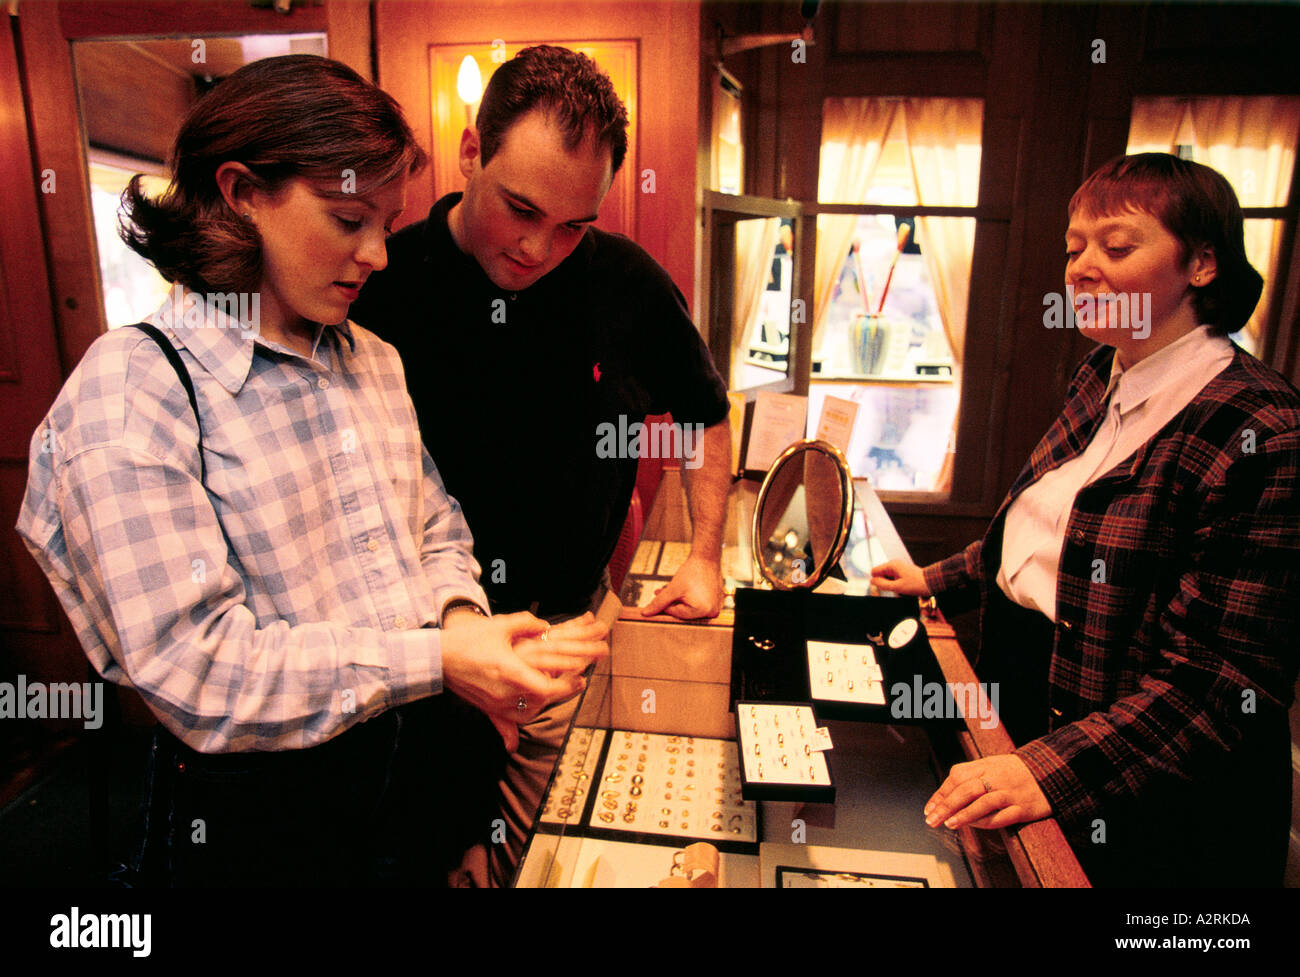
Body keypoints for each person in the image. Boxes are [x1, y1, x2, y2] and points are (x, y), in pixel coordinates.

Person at [16, 54, 607, 886]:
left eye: (388, 221)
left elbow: (435, 525)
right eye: (346, 219)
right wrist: (436, 659)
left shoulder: (371, 360)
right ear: (240, 193)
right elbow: (201, 670)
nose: (380, 254)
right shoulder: (134, 390)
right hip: (253, 833)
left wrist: (462, 622)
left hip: (402, 794)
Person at [349, 45, 733, 883]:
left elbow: (704, 415)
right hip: (412, 659)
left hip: (560, 635)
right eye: (519, 208)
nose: (536, 247)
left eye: (571, 224)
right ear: (469, 152)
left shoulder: (623, 282)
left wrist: (704, 559)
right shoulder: (381, 281)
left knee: (533, 864)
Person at [872, 153, 1299, 887]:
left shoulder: (1262, 425)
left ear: (1202, 263)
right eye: (1074, 249)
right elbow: (1037, 531)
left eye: (1118, 246)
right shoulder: (1102, 371)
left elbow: (1221, 679)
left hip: (1154, 795)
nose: (1082, 268)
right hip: (1035, 718)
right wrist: (930, 575)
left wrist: (1045, 769)